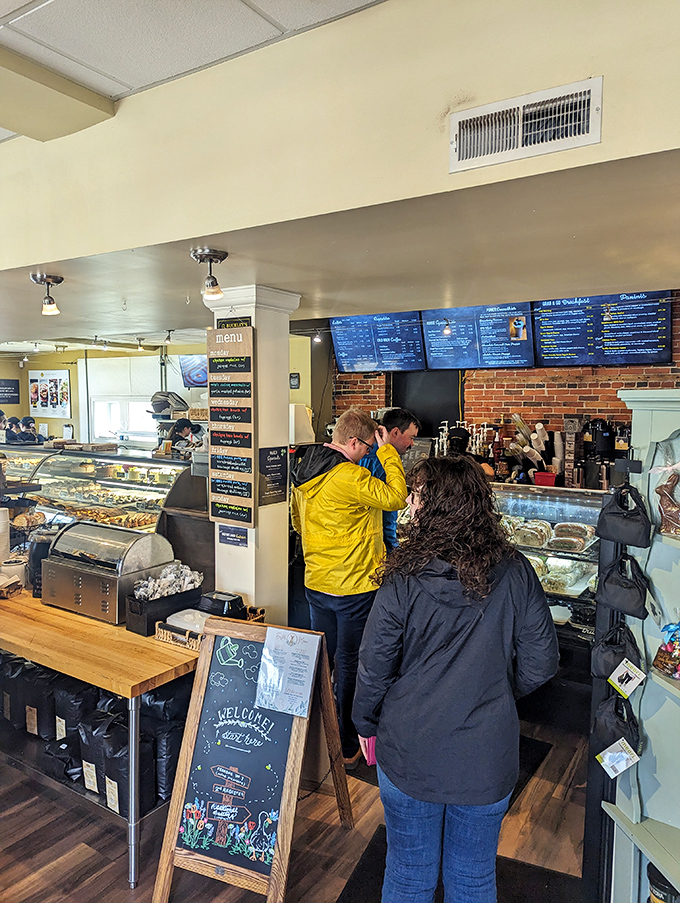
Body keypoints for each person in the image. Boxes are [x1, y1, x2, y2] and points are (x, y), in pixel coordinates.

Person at [353, 455, 559, 903]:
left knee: (409, 875)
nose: (409, 504)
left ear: (435, 506)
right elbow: (542, 662)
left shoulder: (403, 576)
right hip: (485, 752)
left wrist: (365, 723)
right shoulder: (516, 570)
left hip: (409, 746)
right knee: (472, 878)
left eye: (416, 496)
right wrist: (496, 691)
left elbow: (374, 663)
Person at [290, 408, 407, 767]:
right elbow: (396, 498)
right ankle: (345, 743)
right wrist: (388, 452)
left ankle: (310, 739)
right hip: (354, 585)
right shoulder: (350, 476)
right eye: (369, 446)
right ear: (353, 442)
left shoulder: (304, 471)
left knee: (322, 659)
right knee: (350, 663)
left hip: (317, 582)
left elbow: (297, 523)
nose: (370, 452)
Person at [359, 408, 421, 553]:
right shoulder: (381, 461)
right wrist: (393, 549)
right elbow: (387, 512)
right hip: (375, 545)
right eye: (411, 437)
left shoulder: (368, 453)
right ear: (395, 432)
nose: (412, 444)